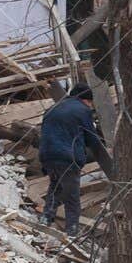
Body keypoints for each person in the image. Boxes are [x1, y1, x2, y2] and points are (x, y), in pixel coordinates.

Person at [38, 84, 109, 236]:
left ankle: (45, 218)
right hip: (67, 157)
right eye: (90, 103)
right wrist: (102, 145)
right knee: (72, 195)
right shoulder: (83, 111)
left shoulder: (52, 109)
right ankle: (72, 230)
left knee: (55, 185)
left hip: (47, 154)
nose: (91, 106)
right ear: (86, 100)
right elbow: (91, 138)